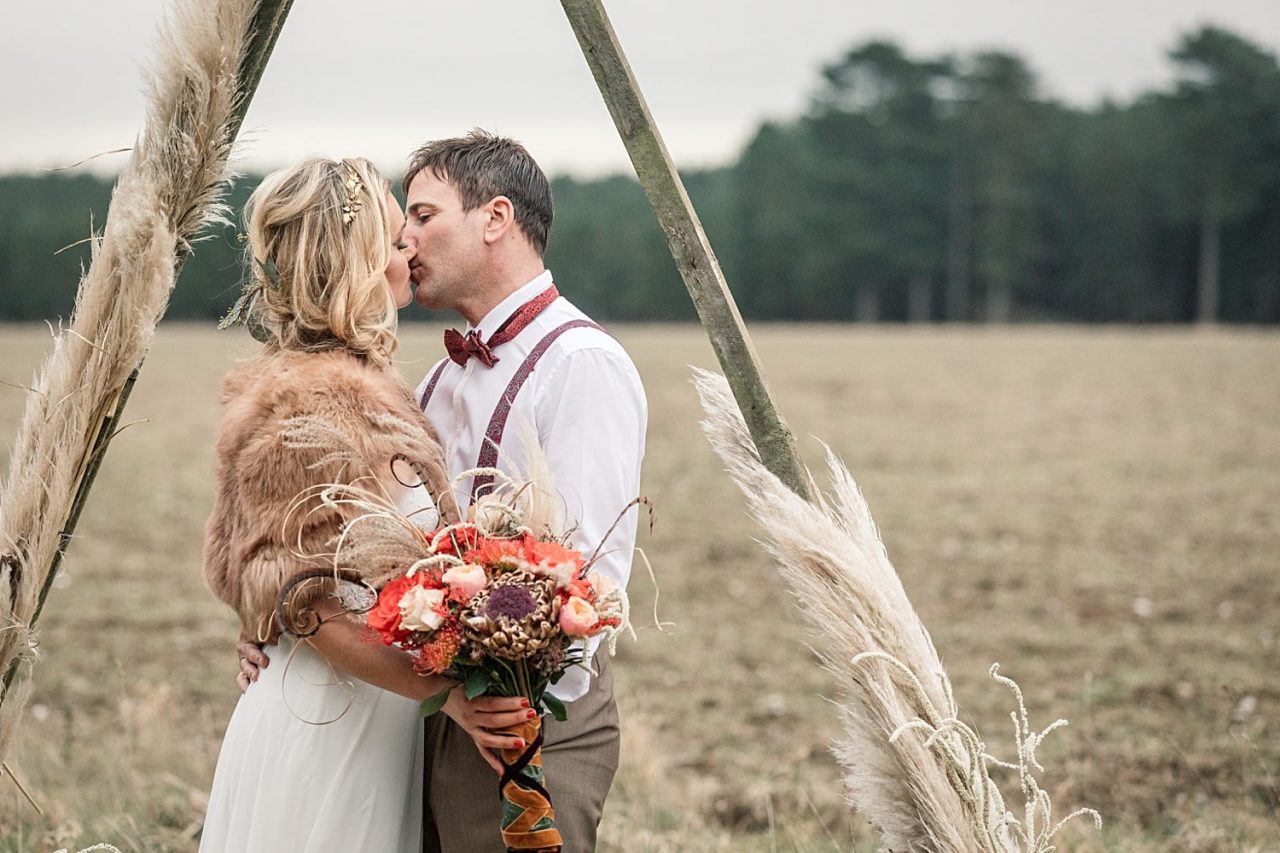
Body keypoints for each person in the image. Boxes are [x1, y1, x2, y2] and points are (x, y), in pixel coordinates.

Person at [239, 132, 649, 851]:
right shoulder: (426, 383)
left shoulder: (582, 364)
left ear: (495, 219)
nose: (406, 236)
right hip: (422, 718)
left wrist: (498, 699)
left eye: (423, 215)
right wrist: (277, 610)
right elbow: (327, 543)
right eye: (402, 223)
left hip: (527, 721)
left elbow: (586, 580)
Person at [200, 157, 529, 852]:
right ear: (355, 262)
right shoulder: (309, 407)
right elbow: (310, 602)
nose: (408, 244)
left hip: (373, 727)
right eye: (392, 229)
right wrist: (449, 696)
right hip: (323, 734)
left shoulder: (369, 391)